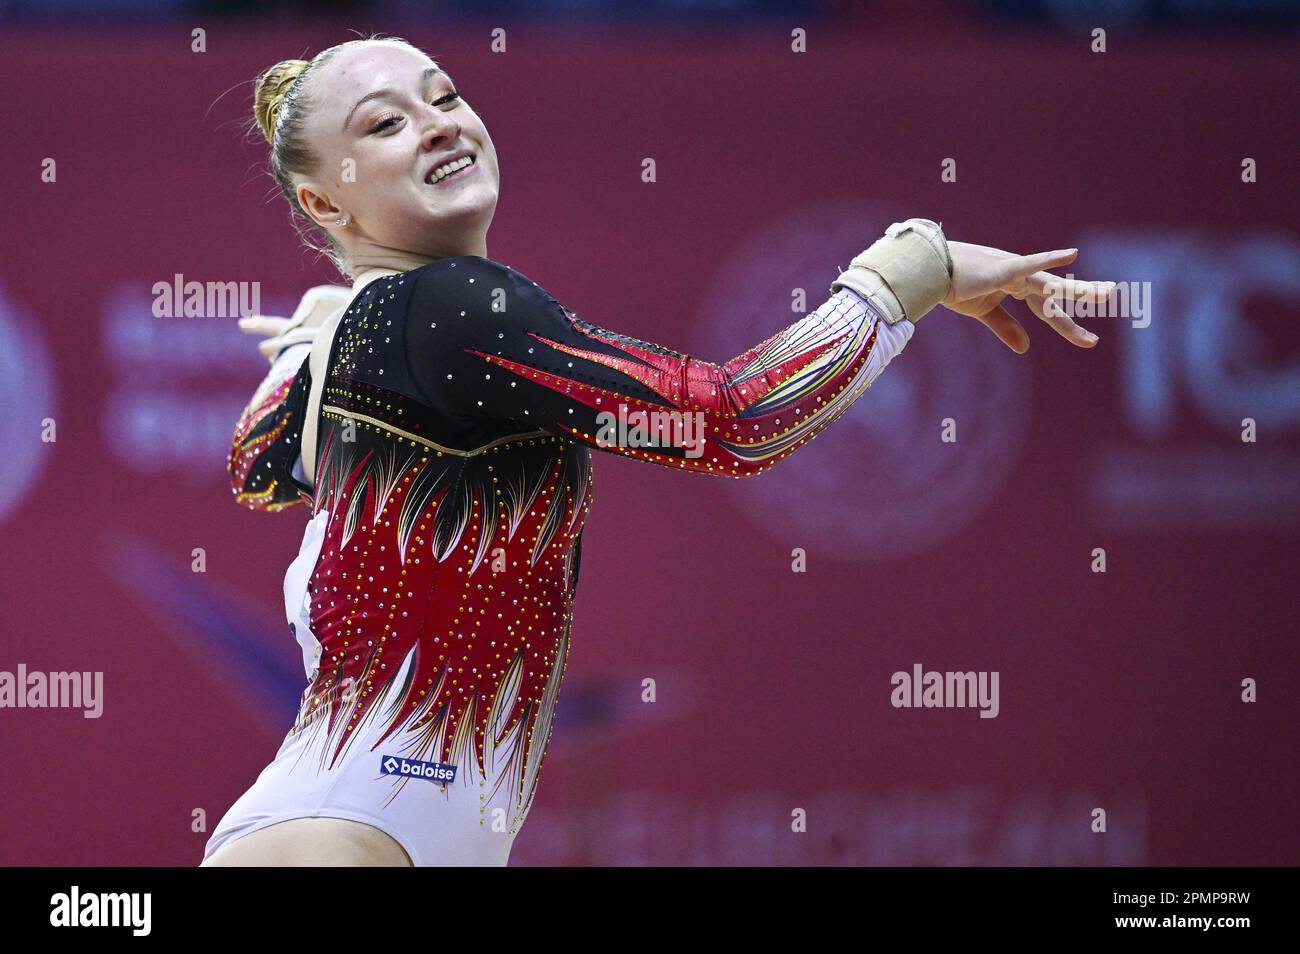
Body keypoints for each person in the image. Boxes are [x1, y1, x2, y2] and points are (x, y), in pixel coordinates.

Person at [201, 34, 1113, 867]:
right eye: (389, 122)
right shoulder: (450, 305)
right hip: (337, 837)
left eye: (445, 96)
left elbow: (259, 465)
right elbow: (729, 419)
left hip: (357, 826)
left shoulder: (388, 329)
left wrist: (306, 349)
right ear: (323, 199)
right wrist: (911, 271)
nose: (437, 124)